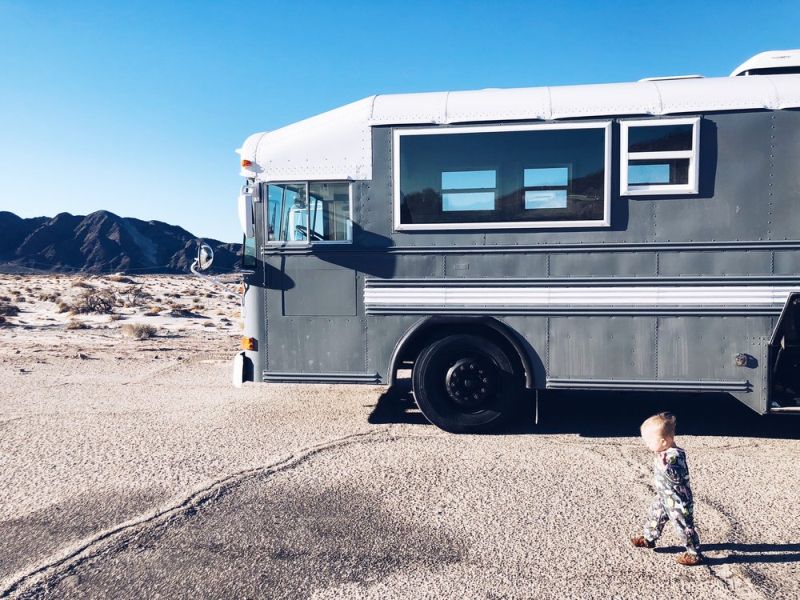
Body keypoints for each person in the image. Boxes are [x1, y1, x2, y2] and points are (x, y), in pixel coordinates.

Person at [631, 412, 703, 565]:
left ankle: (694, 553)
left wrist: (666, 466)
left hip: (678, 500)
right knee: (655, 515)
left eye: (649, 441)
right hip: (664, 495)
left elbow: (677, 478)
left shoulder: (674, 456)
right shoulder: (663, 452)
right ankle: (649, 538)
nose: (647, 445)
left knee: (684, 526)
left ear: (663, 442)